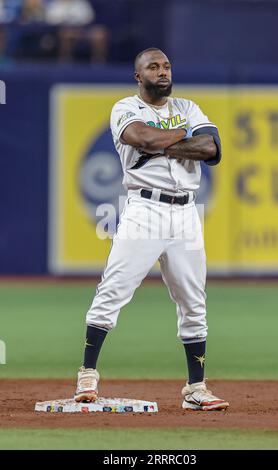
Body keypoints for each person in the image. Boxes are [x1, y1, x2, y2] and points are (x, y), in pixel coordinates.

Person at [74, 47, 229, 411]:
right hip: (143, 209)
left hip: (187, 213)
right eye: (154, 67)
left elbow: (212, 148)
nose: (163, 72)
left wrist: (165, 144)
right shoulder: (125, 108)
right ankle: (87, 373)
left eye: (167, 66)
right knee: (113, 289)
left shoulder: (188, 107)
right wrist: (180, 138)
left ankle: (196, 388)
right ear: (137, 75)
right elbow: (142, 138)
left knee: (193, 301)